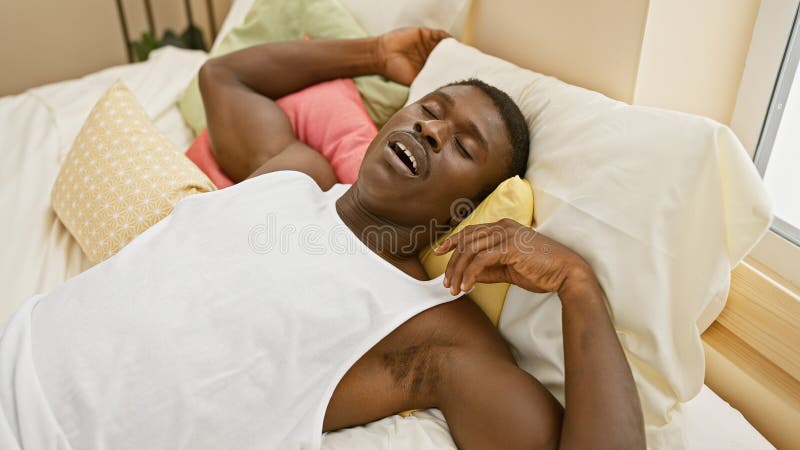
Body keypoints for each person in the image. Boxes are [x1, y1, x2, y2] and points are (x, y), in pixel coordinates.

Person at [0, 29, 644, 450]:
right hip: (17, 350)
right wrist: (373, 56)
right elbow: (223, 79)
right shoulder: (293, 174)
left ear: (464, 211)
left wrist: (576, 285)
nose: (431, 131)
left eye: (463, 145)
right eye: (429, 110)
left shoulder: (429, 331)